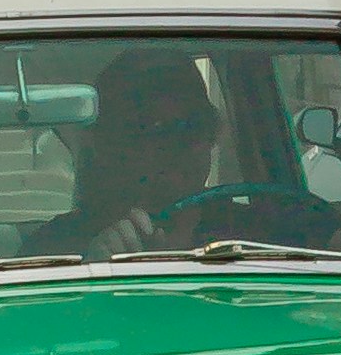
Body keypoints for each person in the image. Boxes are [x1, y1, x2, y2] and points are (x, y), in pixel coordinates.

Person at [57, 46, 223, 254]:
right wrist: (93, 273)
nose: (176, 144)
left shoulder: (258, 234)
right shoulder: (58, 248)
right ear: (106, 144)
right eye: (151, 128)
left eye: (193, 126)